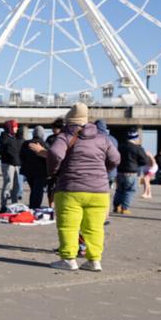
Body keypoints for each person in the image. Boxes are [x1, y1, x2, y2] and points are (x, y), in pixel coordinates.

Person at [47, 103, 119, 272]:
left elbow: (55, 154)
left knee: (68, 226)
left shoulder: (65, 136)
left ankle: (68, 259)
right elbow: (115, 159)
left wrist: (53, 171)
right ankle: (94, 261)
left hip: (70, 188)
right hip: (100, 190)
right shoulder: (102, 138)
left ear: (68, 121)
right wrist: (102, 171)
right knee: (94, 227)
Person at [113, 129, 150, 215]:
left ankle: (116, 206)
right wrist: (137, 164)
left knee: (119, 190)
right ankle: (124, 208)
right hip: (131, 173)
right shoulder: (138, 148)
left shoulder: (120, 146)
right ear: (136, 138)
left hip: (119, 172)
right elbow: (144, 160)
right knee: (129, 190)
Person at [0, 120, 25, 209]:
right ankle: (3, 206)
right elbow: (10, 148)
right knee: (8, 184)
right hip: (8, 164)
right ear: (10, 127)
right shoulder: (4, 137)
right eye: (15, 126)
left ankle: (14, 205)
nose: (17, 128)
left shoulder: (14, 137)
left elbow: (19, 146)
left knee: (16, 186)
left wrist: (20, 137)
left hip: (16, 164)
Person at [20, 127, 50, 210]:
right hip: (41, 172)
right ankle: (35, 208)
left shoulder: (26, 143)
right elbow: (49, 158)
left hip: (28, 171)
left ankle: (32, 206)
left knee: (33, 190)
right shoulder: (44, 144)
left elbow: (21, 157)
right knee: (38, 191)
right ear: (42, 134)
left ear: (33, 133)